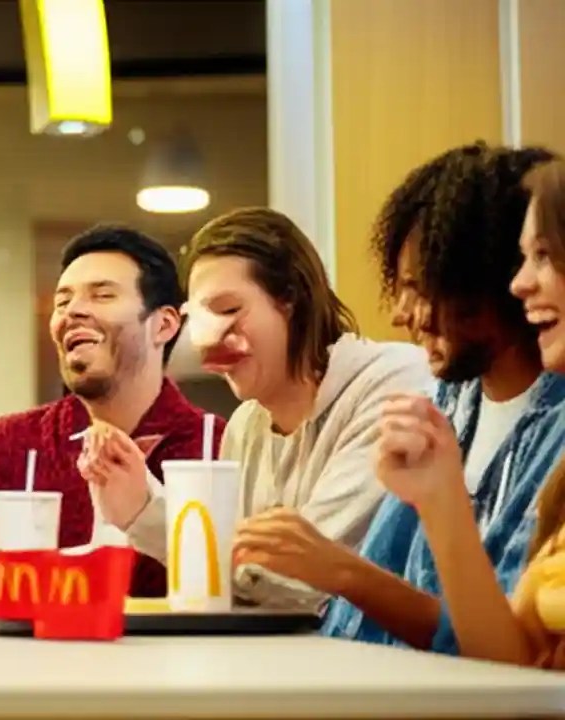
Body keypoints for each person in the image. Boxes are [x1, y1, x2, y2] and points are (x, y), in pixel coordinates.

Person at [238, 144, 561, 651]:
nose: (401, 313)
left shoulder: (550, 426)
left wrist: (342, 571)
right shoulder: (450, 401)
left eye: (419, 287)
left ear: (482, 282)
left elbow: (504, 649)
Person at [82, 209, 432, 610]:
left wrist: (155, 517)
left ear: (292, 300)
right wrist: (139, 503)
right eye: (200, 319)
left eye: (230, 310)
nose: (209, 341)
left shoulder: (391, 385)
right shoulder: (247, 423)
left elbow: (296, 580)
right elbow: (241, 580)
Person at [0, 225, 224, 602]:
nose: (74, 312)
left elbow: (236, 582)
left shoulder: (214, 445)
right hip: (30, 658)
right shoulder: (12, 440)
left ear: (164, 325)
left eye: (102, 295)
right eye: (62, 302)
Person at [377, 158, 565, 668]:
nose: (520, 283)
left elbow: (512, 667)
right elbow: (516, 656)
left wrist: (342, 574)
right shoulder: (453, 405)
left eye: (543, 257)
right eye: (524, 259)